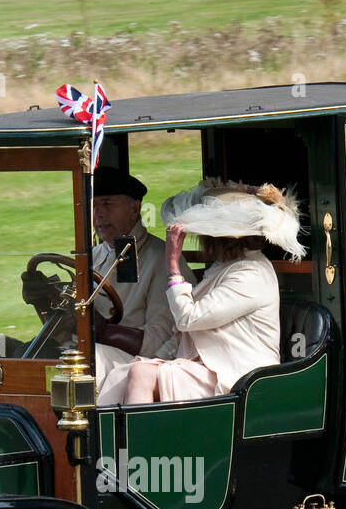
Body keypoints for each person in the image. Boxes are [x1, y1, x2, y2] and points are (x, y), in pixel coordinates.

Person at [97, 181, 303, 406]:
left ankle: (139, 440)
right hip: (204, 365)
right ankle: (113, 439)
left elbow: (189, 319)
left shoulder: (252, 273)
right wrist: (155, 358)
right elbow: (183, 333)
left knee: (142, 374)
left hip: (235, 372)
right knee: (127, 373)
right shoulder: (223, 267)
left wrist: (173, 267)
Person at [92, 167, 192, 386]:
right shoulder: (91, 258)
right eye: (93, 206)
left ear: (135, 208)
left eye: (107, 204)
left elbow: (160, 339)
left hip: (135, 362)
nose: (98, 214)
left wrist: (104, 331)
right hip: (88, 350)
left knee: (88, 360)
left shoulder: (162, 260)